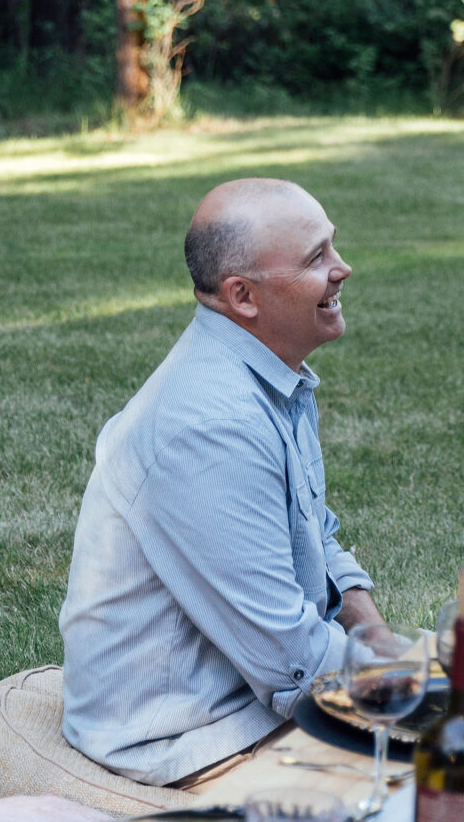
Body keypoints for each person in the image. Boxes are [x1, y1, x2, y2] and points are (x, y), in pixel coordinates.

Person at [59, 178, 381, 786]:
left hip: (243, 700)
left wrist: (382, 642)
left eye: (332, 247)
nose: (343, 268)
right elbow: (292, 667)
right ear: (243, 296)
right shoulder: (212, 425)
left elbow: (319, 539)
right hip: (183, 738)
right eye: (317, 258)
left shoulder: (268, 376)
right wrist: (430, 688)